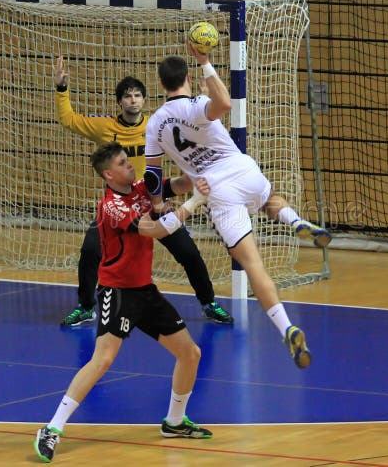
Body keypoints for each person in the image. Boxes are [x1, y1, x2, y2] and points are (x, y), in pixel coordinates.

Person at [144, 42, 332, 369]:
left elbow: (152, 174)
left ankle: (285, 326)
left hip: (216, 190)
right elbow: (225, 103)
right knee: (270, 201)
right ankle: (295, 221)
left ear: (161, 84)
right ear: (187, 76)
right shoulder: (197, 104)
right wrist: (206, 62)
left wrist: (159, 203)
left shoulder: (154, 125)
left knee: (253, 265)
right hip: (244, 170)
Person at [34, 142, 213, 462]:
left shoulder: (143, 187)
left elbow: (180, 183)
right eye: (122, 163)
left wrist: (197, 165)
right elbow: (155, 230)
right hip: (116, 293)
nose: (130, 166)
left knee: (190, 353)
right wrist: (196, 202)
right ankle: (51, 429)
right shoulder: (112, 206)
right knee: (102, 360)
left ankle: (174, 422)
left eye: (128, 161)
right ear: (108, 173)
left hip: (145, 291)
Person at [53, 57, 233, 326]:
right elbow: (68, 119)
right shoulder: (105, 128)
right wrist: (61, 89)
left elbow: (193, 127)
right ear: (120, 102)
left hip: (155, 197)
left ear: (145, 100)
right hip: (122, 204)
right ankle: (86, 306)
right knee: (91, 250)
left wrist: (204, 104)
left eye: (138, 95)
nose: (133, 100)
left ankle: (208, 302)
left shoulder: (156, 124)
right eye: (127, 96)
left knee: (188, 253)